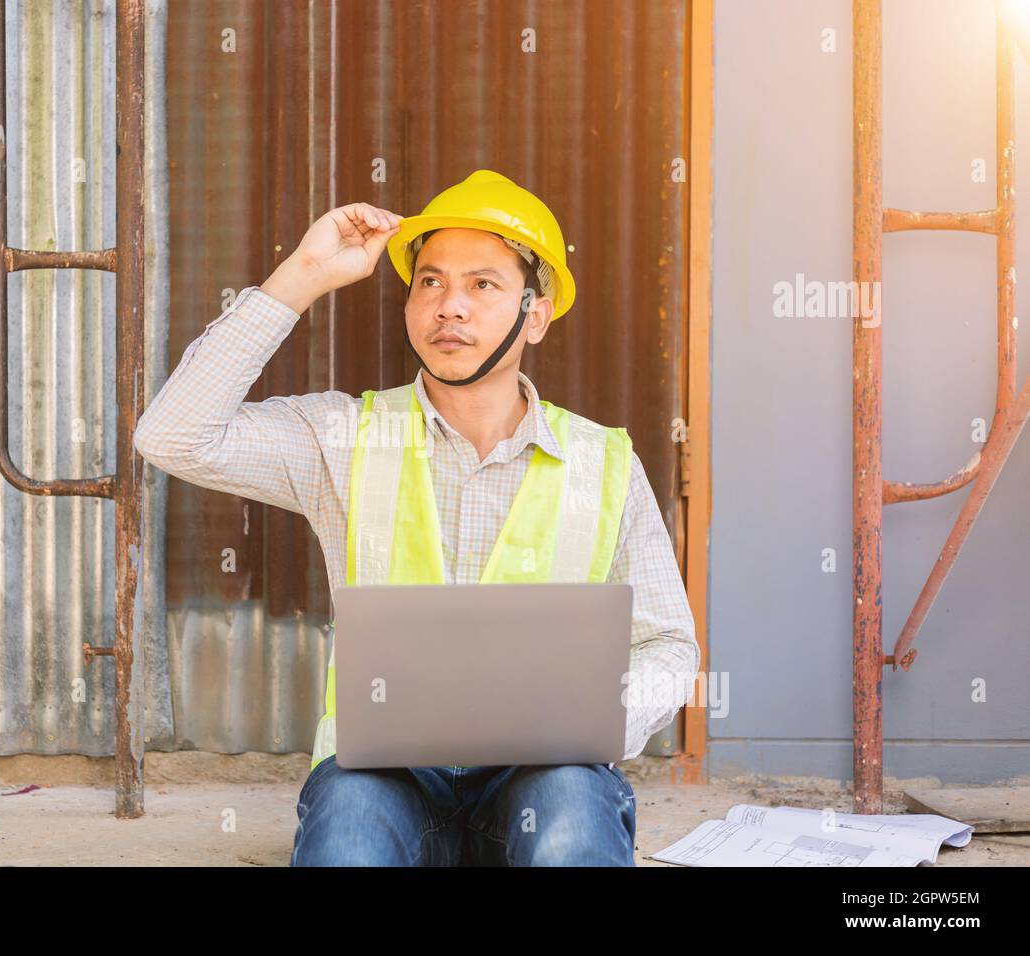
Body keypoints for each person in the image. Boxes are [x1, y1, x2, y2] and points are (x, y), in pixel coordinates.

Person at [134, 169, 699, 866]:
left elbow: (669, 647)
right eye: (430, 282)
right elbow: (171, 437)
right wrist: (305, 273)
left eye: (482, 285)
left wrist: (599, 725)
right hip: (383, 773)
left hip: (544, 772)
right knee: (348, 845)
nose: (449, 307)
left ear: (536, 314)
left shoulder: (602, 461)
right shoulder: (344, 438)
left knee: (572, 838)